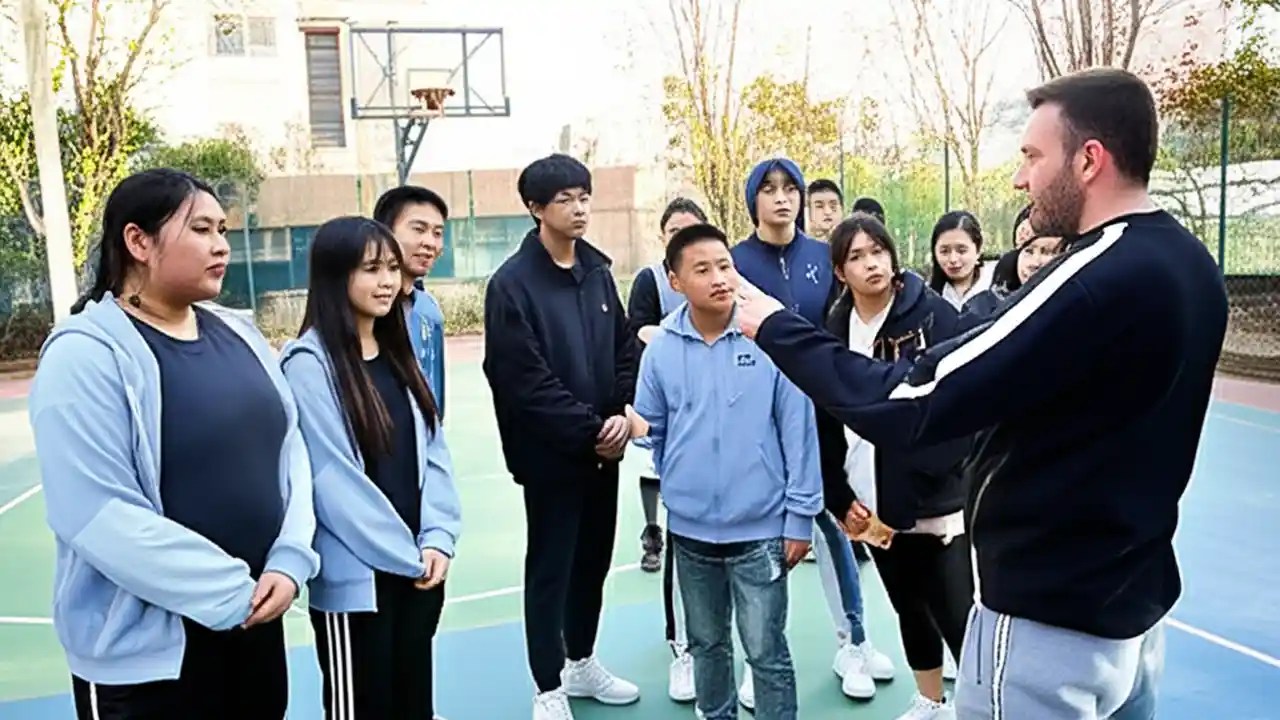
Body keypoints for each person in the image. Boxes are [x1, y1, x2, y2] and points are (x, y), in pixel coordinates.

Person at [734, 67, 1228, 720]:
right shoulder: (1193, 266)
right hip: (1131, 612)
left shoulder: (1090, 277)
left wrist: (772, 325)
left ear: (1088, 160)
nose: (1021, 178)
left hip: (1049, 625)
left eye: (1031, 156)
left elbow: (914, 399)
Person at [28, 168, 320, 719]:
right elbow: (95, 512)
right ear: (138, 241)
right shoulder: (84, 354)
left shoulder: (239, 333)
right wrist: (234, 593)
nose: (221, 246)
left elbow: (290, 450)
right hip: (150, 662)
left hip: (256, 627)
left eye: (224, 231)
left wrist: (288, 559)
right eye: (202, 229)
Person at [633, 222, 821, 720]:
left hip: (761, 533)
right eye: (703, 269)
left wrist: (800, 515)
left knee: (767, 653)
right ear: (675, 281)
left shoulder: (769, 336)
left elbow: (798, 430)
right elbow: (652, 429)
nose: (720, 278)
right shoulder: (662, 350)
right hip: (691, 536)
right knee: (707, 648)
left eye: (725, 266)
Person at [280, 216, 462, 719]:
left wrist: (438, 538)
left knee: (413, 707)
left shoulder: (399, 355)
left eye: (391, 268)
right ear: (336, 276)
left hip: (417, 574)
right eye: (371, 269)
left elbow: (434, 453)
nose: (387, 281)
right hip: (359, 586)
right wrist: (407, 555)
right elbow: (333, 482)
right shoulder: (307, 364)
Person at [730, 158, 893, 707]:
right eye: (769, 190)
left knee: (834, 528)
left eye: (790, 189)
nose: (782, 199)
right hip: (758, 420)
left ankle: (854, 642)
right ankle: (760, 657)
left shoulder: (824, 259)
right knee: (761, 541)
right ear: (752, 200)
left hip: (824, 417)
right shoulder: (734, 262)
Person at [482, 153, 640, 720]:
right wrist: (590, 428)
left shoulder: (597, 270)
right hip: (554, 459)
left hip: (606, 451)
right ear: (535, 209)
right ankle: (547, 687)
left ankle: (581, 664)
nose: (579, 209)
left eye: (584, 197)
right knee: (551, 568)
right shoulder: (511, 286)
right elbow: (524, 380)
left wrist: (621, 410)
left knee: (593, 561)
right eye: (565, 200)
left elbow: (624, 346)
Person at [819, 214, 972, 720]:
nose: (872, 264)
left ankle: (979, 707)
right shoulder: (835, 327)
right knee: (909, 605)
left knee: (958, 614)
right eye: (857, 257)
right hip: (870, 501)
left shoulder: (932, 316)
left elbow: (960, 412)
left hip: (933, 501)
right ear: (841, 271)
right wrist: (838, 495)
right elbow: (825, 415)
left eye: (878, 251)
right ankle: (930, 700)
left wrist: (932, 478)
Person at [626, 196, 709, 703]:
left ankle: (725, 652)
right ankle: (682, 649)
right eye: (675, 228)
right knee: (681, 536)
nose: (684, 233)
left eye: (692, 226)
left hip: (719, 428)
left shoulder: (726, 280)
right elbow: (637, 328)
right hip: (669, 419)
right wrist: (675, 339)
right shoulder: (651, 282)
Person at [373, 185, 449, 419]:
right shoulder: (366, 310)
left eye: (437, 233)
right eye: (419, 229)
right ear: (385, 232)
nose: (430, 242)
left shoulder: (429, 310)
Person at [928, 211, 993, 310]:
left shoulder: (994, 286)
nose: (953, 259)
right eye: (944, 251)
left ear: (978, 250)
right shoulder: (927, 297)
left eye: (962, 251)